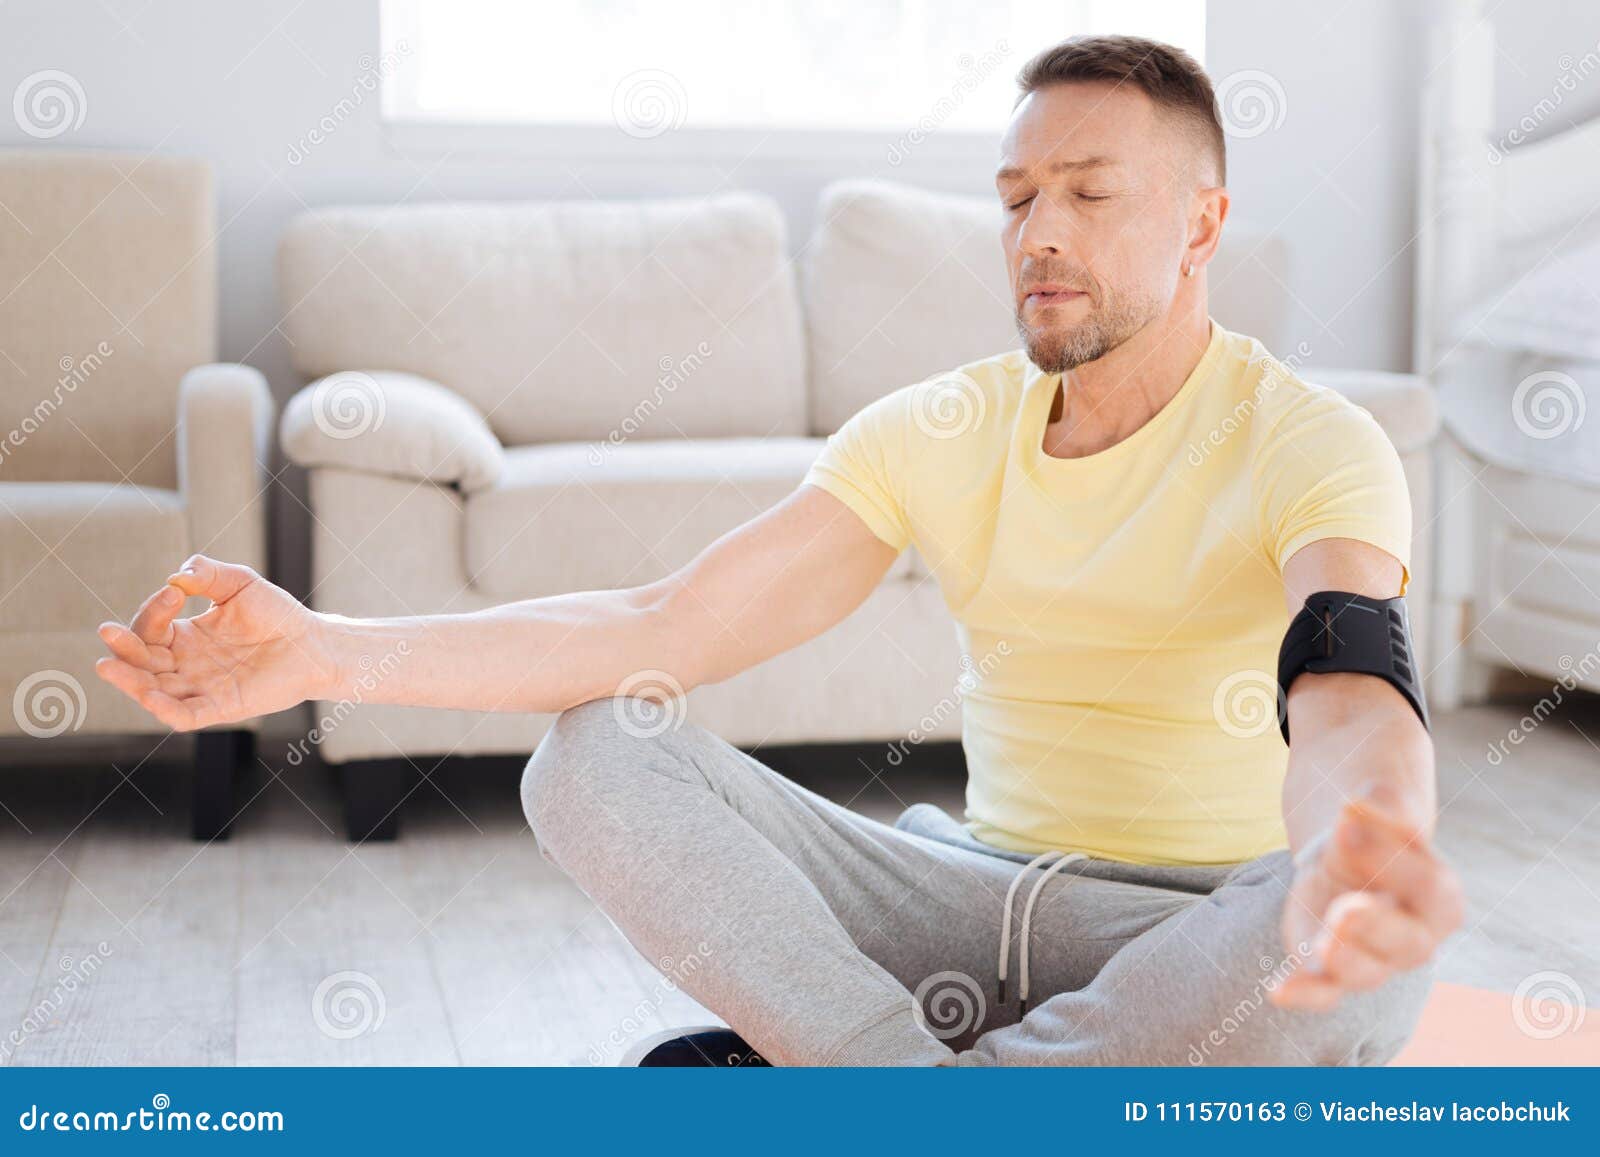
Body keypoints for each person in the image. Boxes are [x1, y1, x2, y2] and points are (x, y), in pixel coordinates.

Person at [96, 35, 1460, 1066]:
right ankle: (953, 1095)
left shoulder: (1310, 439)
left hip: (1179, 932)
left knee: (1380, 967)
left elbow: (1345, 679)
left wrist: (1364, 841)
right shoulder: (938, 429)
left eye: (1091, 192)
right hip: (953, 899)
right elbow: (657, 624)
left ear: (1203, 221)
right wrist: (325, 650)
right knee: (595, 754)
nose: (1039, 233)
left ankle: (861, 1088)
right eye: (1015, 196)